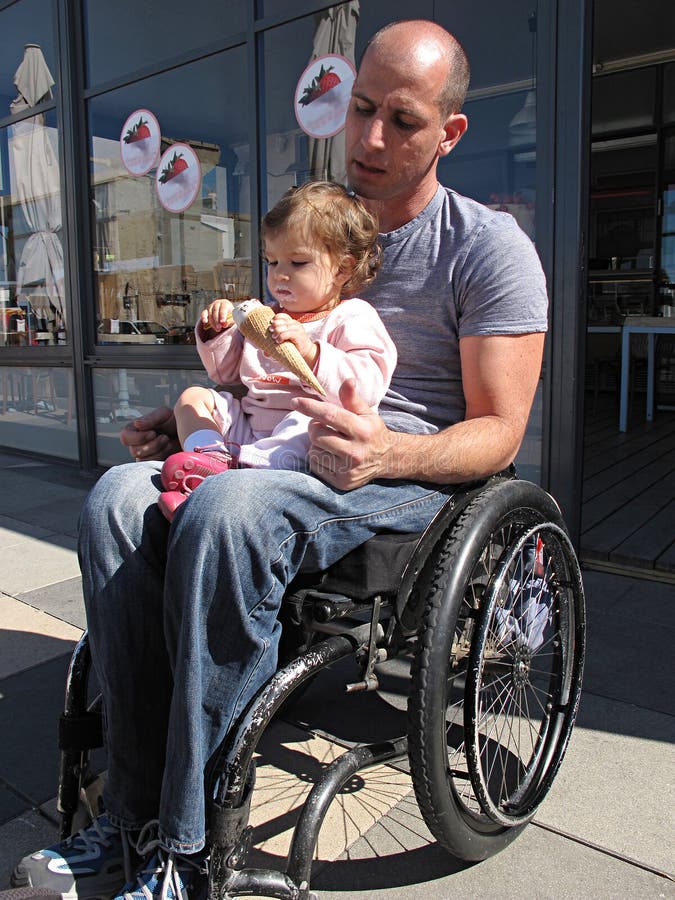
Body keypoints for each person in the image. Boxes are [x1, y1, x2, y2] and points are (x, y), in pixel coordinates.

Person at [13, 19, 548, 900]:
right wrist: (203, 417)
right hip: (273, 451)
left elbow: (499, 430)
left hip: (394, 477)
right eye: (362, 108)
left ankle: (188, 853)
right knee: (116, 495)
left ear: (449, 133)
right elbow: (261, 358)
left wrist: (389, 452)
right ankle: (131, 815)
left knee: (231, 513)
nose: (371, 138)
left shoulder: (486, 249)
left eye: (402, 120)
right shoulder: (318, 223)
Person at [157, 181, 396, 521]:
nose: (280, 275)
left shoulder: (352, 317)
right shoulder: (263, 314)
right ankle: (209, 462)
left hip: (300, 434)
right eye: (272, 262)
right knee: (196, 396)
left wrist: (313, 352)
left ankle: (216, 489)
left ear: (342, 269)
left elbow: (367, 385)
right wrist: (218, 332)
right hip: (250, 427)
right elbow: (224, 374)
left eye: (298, 263)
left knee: (310, 421)